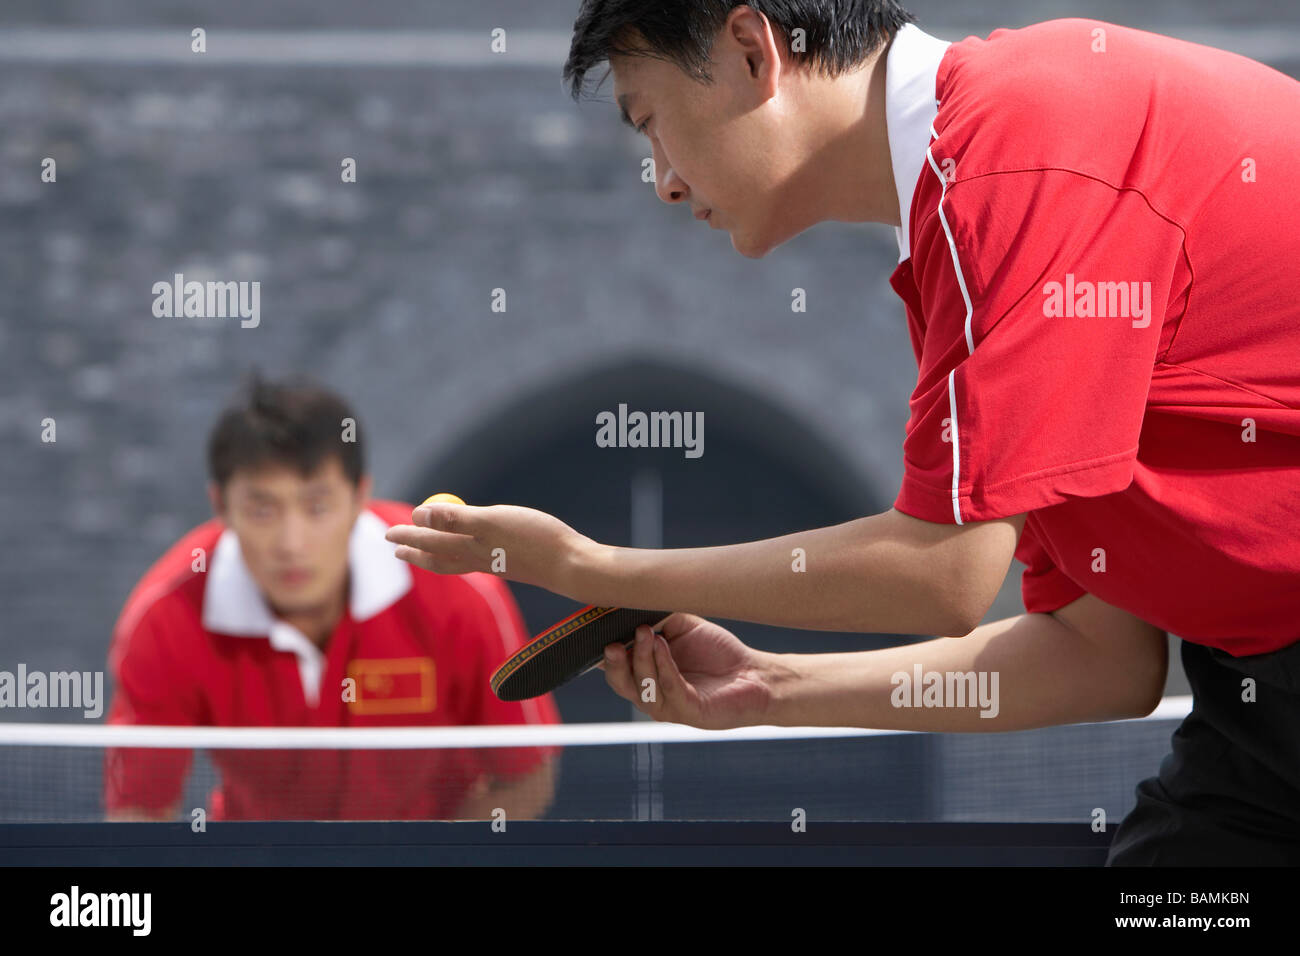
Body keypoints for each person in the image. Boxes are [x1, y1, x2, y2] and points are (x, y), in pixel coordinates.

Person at [385, 4, 1300, 864]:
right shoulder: (971, 221)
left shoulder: (1023, 159)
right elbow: (1100, 658)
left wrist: (591, 569)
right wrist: (769, 690)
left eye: (649, 118)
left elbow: (942, 576)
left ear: (752, 48)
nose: (661, 179)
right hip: (1256, 707)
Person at [105, 375, 558, 821]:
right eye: (263, 509)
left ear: (360, 496)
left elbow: (526, 775)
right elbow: (139, 812)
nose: (291, 543)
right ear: (221, 505)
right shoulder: (164, 616)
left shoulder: (460, 591)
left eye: (317, 506)